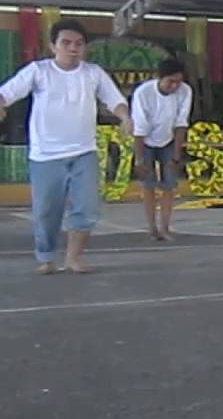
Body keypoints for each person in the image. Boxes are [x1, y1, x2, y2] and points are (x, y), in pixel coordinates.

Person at [0, 19, 132, 274]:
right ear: (53, 46)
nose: (73, 48)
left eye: (79, 44)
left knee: (87, 207)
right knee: (47, 211)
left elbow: (114, 99)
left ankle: (73, 257)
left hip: (84, 152)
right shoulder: (38, 71)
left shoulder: (93, 73)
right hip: (45, 155)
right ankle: (46, 256)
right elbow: (8, 91)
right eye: (66, 43)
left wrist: (125, 116)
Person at [130, 58, 192, 242]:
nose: (174, 86)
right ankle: (152, 228)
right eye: (170, 82)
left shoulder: (185, 91)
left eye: (178, 82)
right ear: (159, 78)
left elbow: (181, 123)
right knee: (148, 185)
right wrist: (139, 160)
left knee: (169, 186)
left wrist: (175, 157)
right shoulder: (143, 93)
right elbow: (139, 129)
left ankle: (165, 227)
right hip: (146, 141)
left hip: (169, 140)